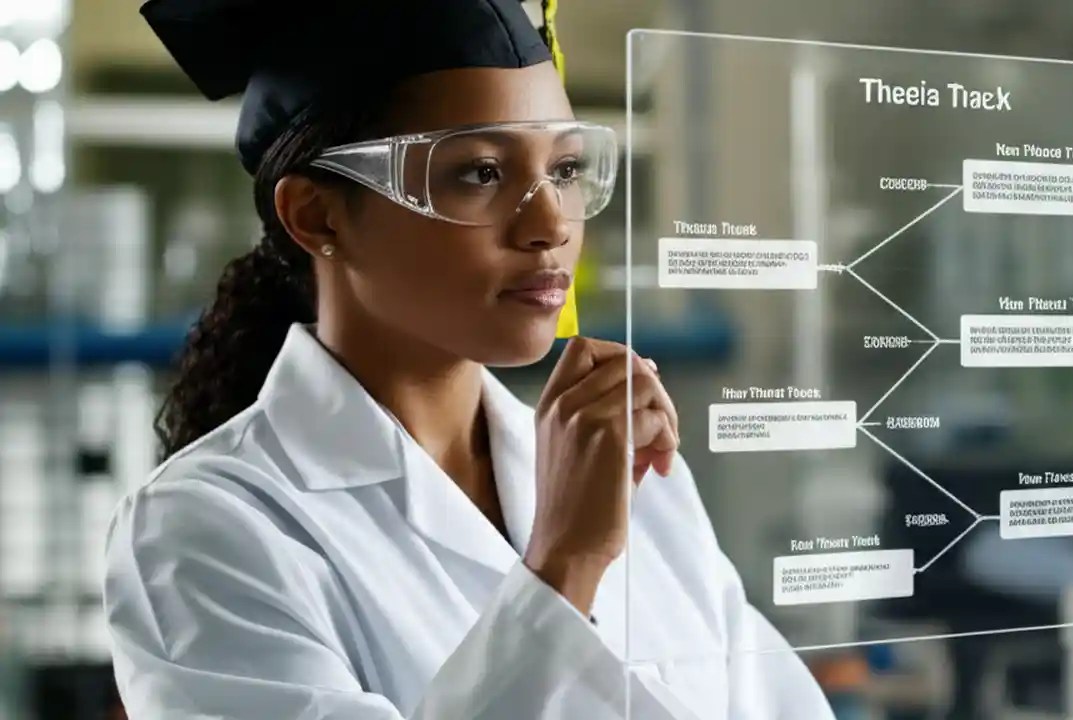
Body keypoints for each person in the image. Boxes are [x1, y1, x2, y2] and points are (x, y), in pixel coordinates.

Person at [102, 1, 837, 718]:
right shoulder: (203, 529)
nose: (550, 224)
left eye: (567, 168)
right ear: (316, 215)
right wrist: (562, 567)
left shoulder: (633, 481)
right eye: (481, 174)